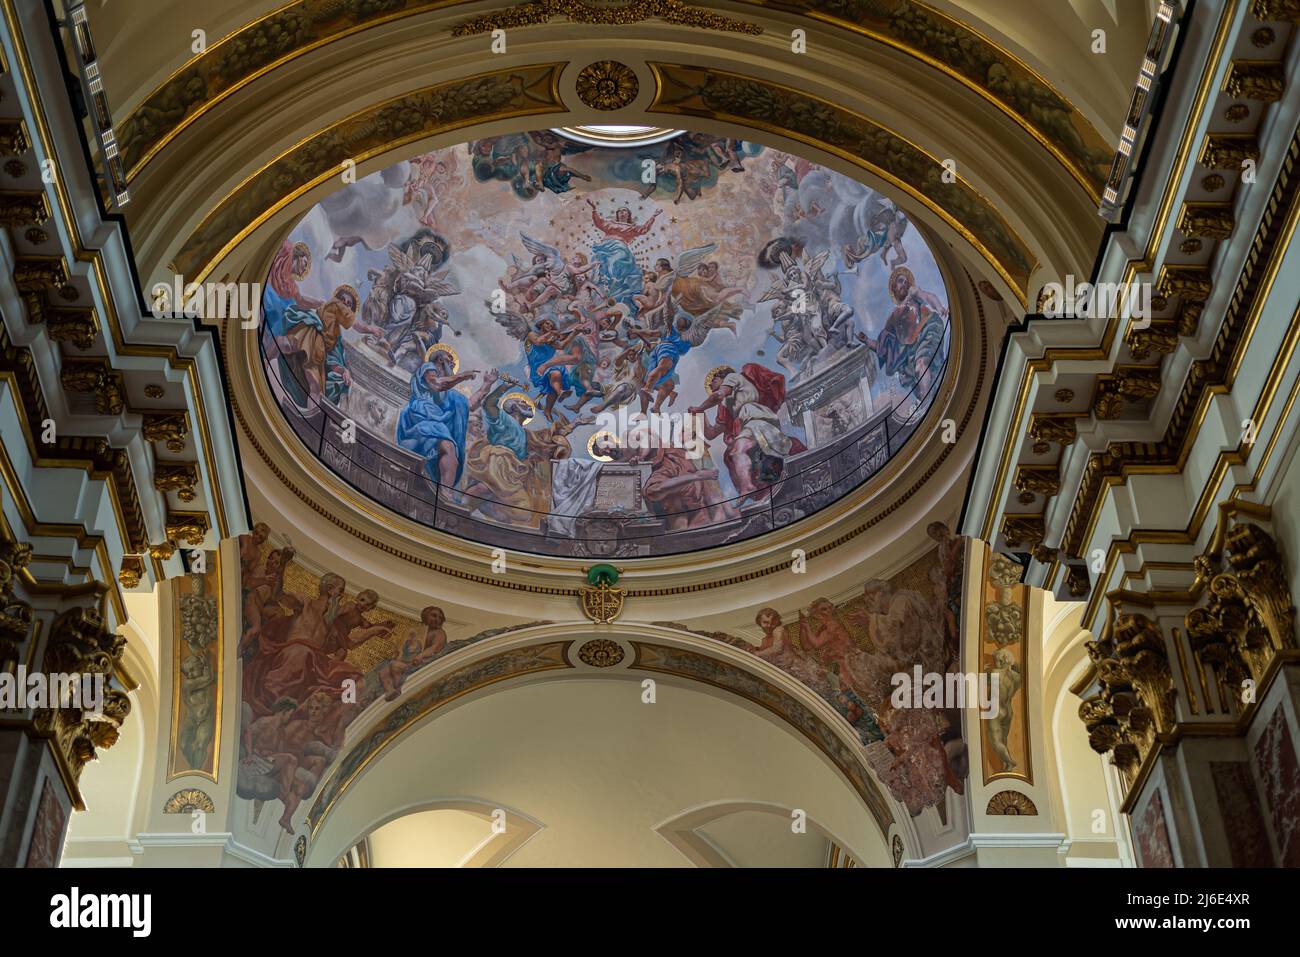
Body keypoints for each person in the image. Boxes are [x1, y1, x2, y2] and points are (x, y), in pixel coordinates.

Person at [395, 347, 478, 496]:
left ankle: (445, 493)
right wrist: (463, 375)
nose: (452, 365)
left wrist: (487, 385)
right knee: (448, 446)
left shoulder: (450, 394)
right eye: (449, 360)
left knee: (451, 451)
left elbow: (468, 404)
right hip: (422, 413)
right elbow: (437, 384)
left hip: (436, 420)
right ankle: (445, 491)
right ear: (440, 360)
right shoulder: (428, 368)